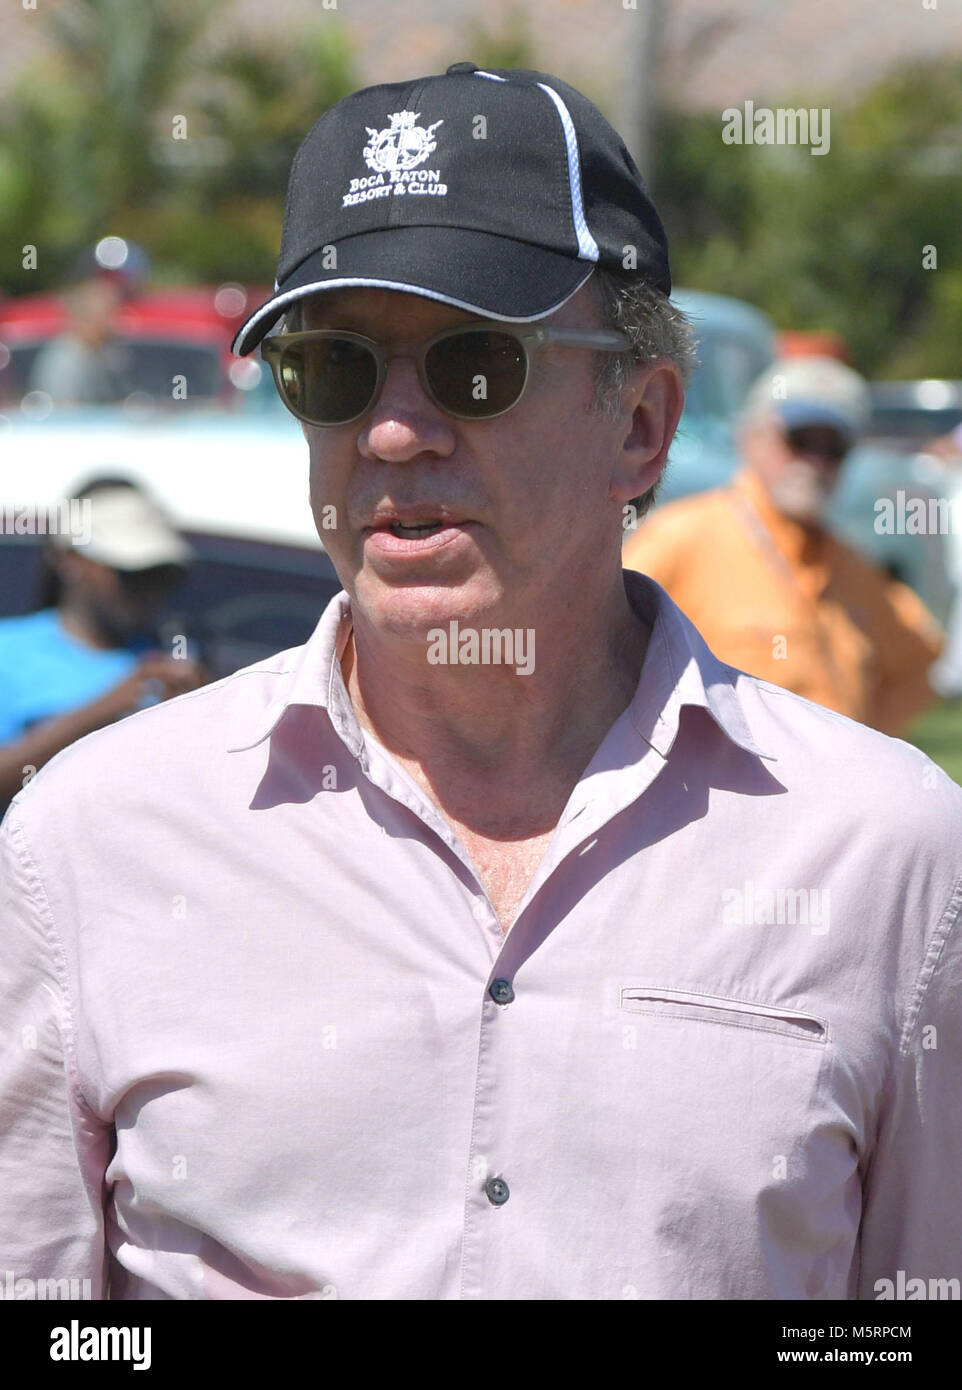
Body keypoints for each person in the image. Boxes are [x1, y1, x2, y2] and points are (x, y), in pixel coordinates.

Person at [1, 63, 961, 1303]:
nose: (393, 432)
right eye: (332, 369)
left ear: (641, 424)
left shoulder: (884, 853)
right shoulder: (91, 843)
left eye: (472, 365)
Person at [623, 355, 945, 735]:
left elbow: (920, 662)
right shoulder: (680, 537)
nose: (815, 461)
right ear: (750, 438)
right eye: (800, 440)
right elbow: (601, 655)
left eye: (834, 447)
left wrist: (867, 747)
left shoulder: (853, 565)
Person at [0, 477, 207, 810]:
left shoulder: (175, 663)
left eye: (159, 575)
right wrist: (110, 707)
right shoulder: (7, 652)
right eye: (129, 571)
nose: (147, 590)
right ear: (69, 560)